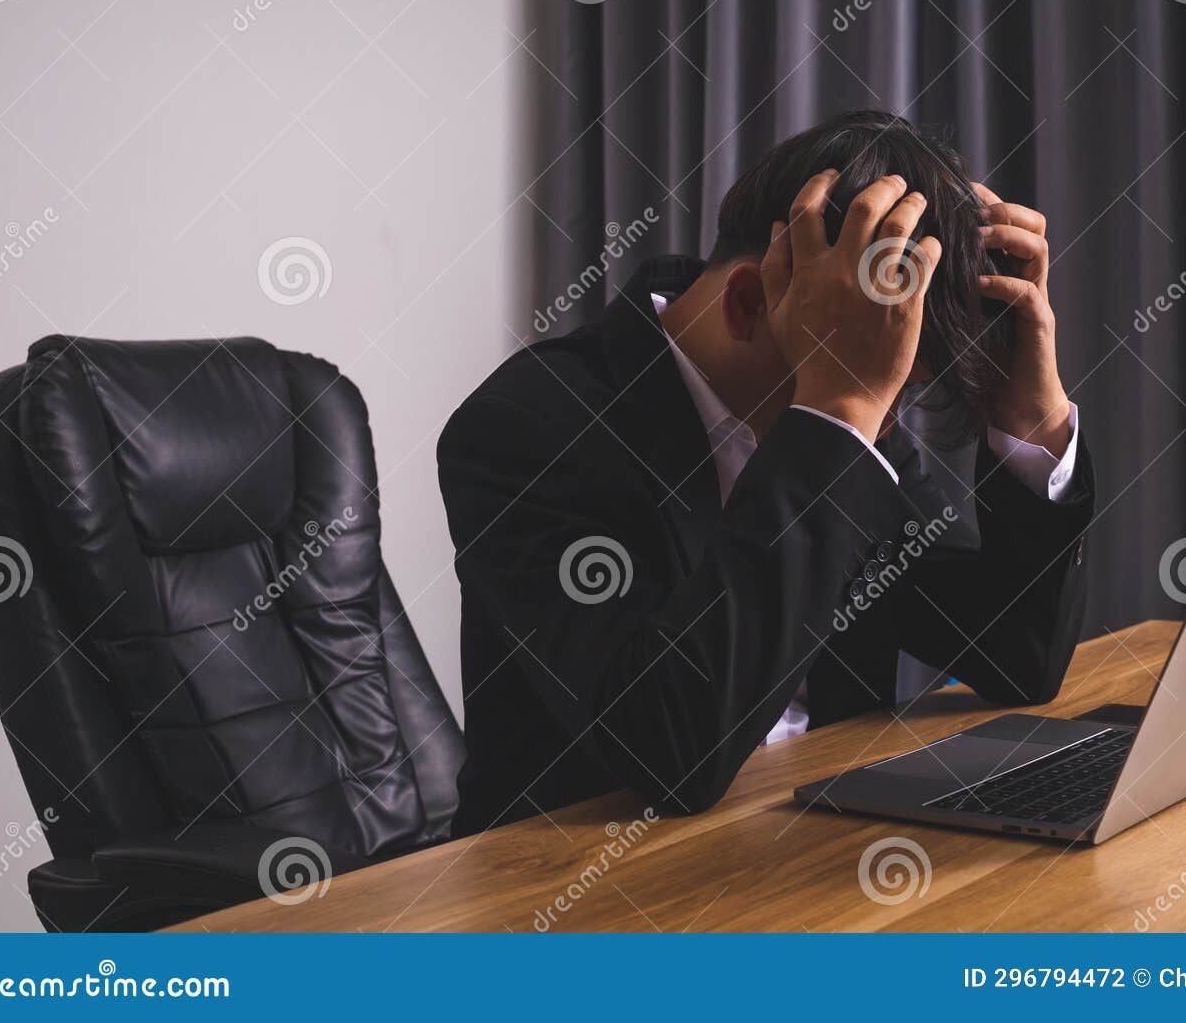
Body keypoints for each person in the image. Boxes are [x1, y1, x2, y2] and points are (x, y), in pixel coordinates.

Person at [438, 109, 1093, 835]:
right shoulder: (531, 426)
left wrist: (1034, 422)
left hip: (804, 846)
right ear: (751, 303)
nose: (889, 413)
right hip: (575, 897)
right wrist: (841, 408)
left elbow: (1014, 656)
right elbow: (667, 753)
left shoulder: (850, 410)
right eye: (885, 384)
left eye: (899, 387)